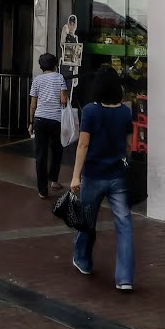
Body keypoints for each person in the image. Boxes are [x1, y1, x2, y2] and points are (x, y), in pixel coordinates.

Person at [68, 64, 136, 292]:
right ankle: (125, 278)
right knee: (124, 225)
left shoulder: (90, 111)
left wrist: (75, 176)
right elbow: (128, 145)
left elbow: (83, 144)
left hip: (94, 174)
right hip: (118, 175)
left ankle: (83, 260)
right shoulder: (125, 111)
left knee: (87, 221)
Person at [29, 53, 69, 198]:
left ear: (41, 66)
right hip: (56, 120)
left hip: (40, 119)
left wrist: (31, 122)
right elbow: (63, 100)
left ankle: (42, 190)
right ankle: (54, 180)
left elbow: (33, 104)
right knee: (57, 150)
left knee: (41, 155)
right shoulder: (59, 77)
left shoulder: (37, 80)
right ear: (55, 65)